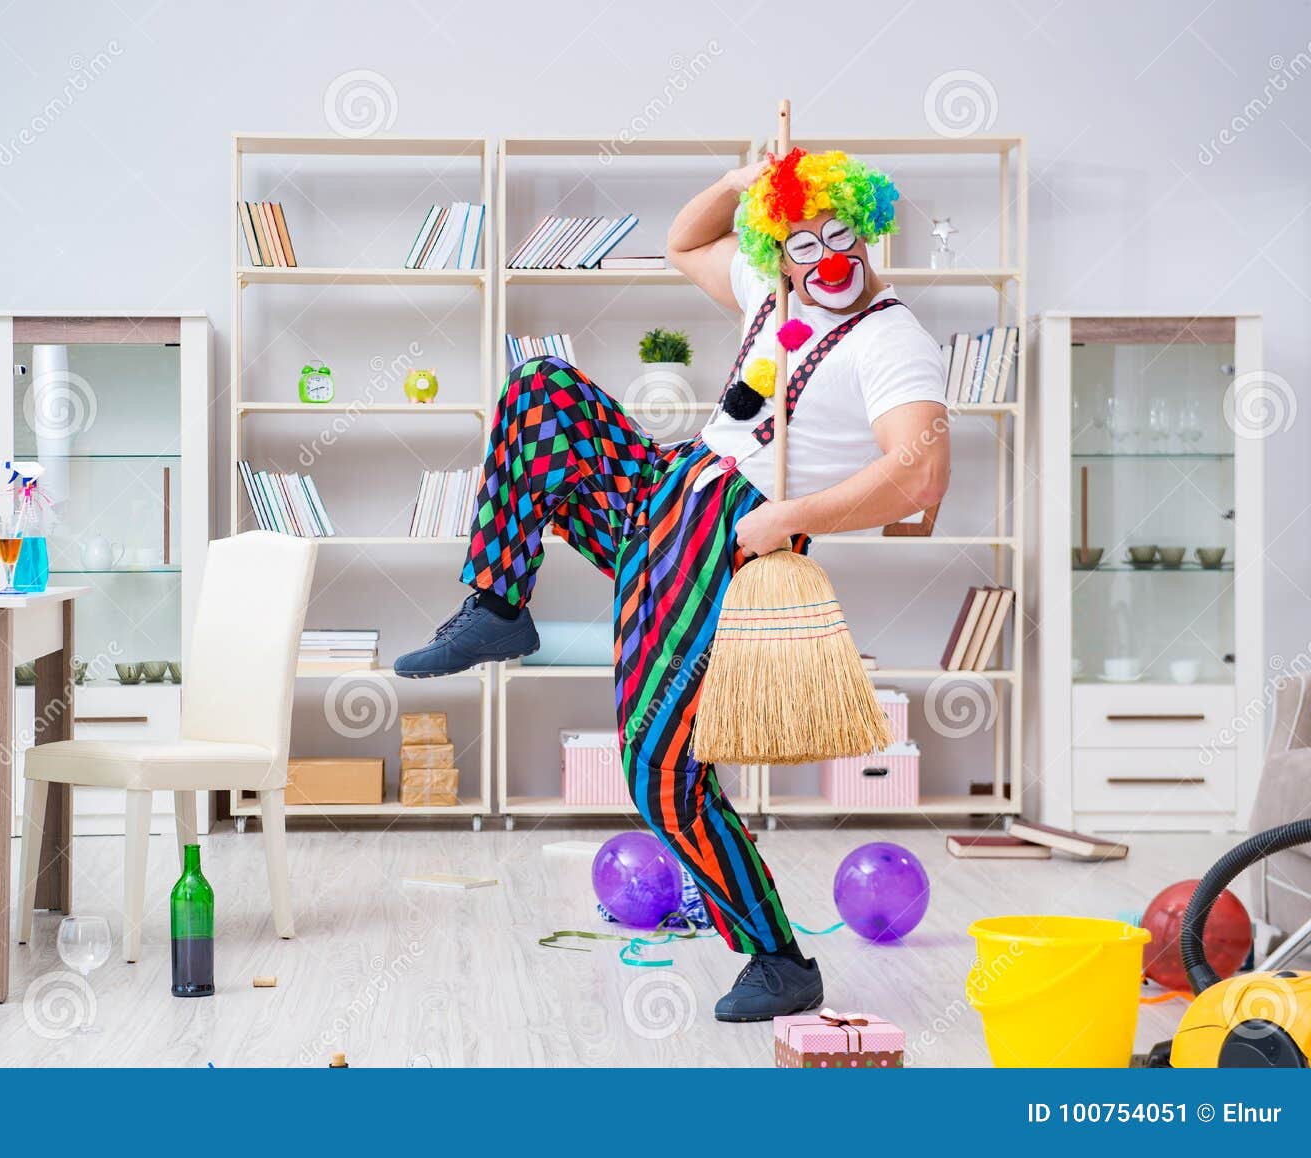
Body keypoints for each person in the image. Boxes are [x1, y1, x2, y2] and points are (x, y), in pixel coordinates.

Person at [395, 147, 950, 1021]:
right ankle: (501, 606)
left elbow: (919, 477)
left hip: (724, 536)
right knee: (541, 390)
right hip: (665, 487)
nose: (825, 260)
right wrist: (740, 186)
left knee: (658, 766)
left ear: (867, 229)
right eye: (801, 243)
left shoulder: (892, 341)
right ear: (779, 247)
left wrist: (785, 515)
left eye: (839, 236)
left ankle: (777, 959)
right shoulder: (773, 295)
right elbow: (686, 242)